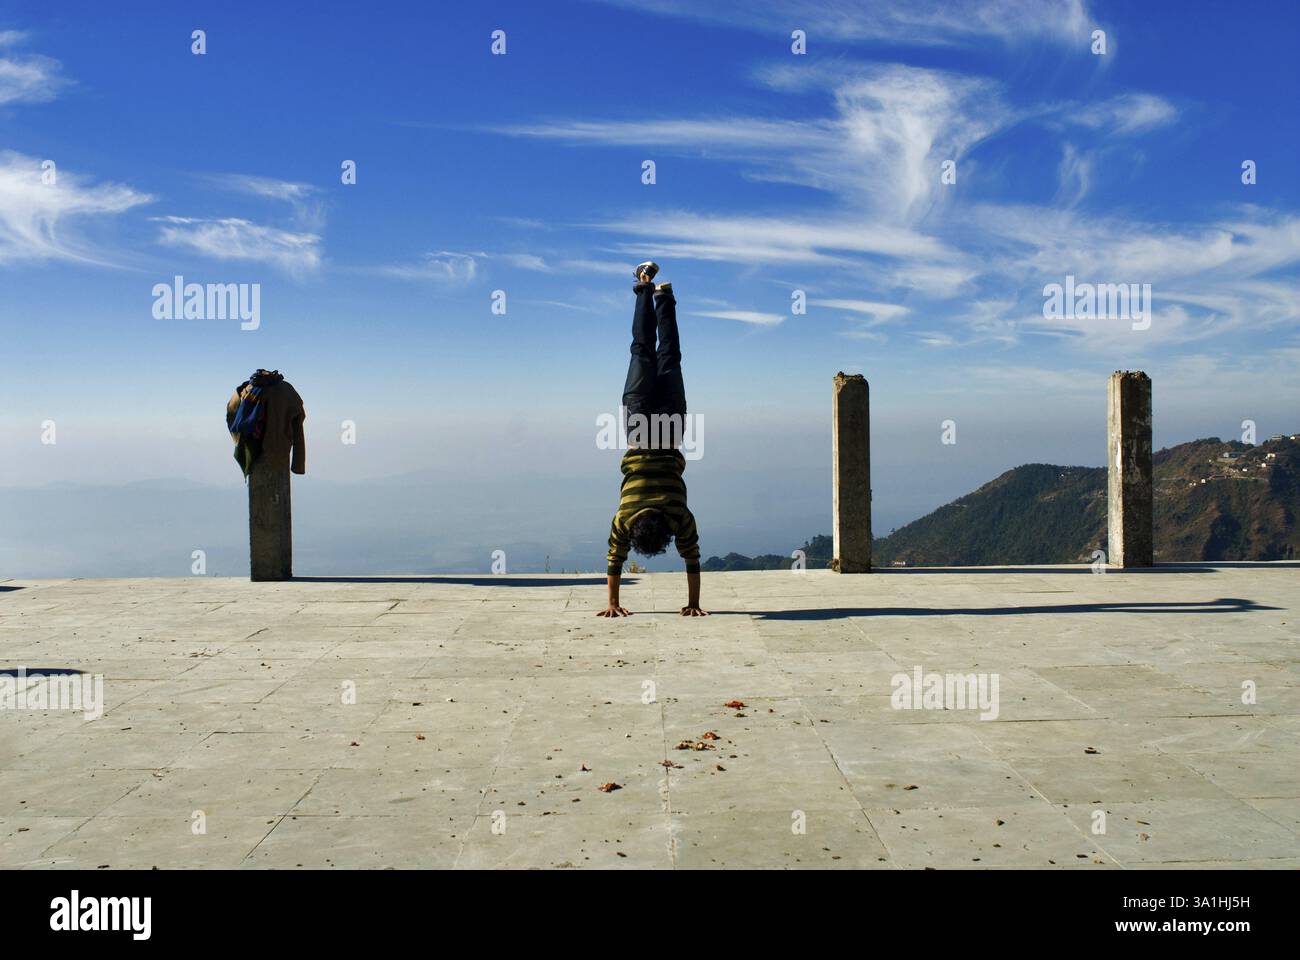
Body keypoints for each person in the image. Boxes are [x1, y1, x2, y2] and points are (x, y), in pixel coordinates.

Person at [599, 261, 707, 618]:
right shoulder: (624, 517)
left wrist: (694, 603)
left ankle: (665, 295)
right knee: (641, 351)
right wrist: (612, 602)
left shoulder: (678, 516)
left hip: (672, 428)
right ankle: (644, 287)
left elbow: (692, 559)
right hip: (638, 425)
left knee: (669, 356)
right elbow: (614, 559)